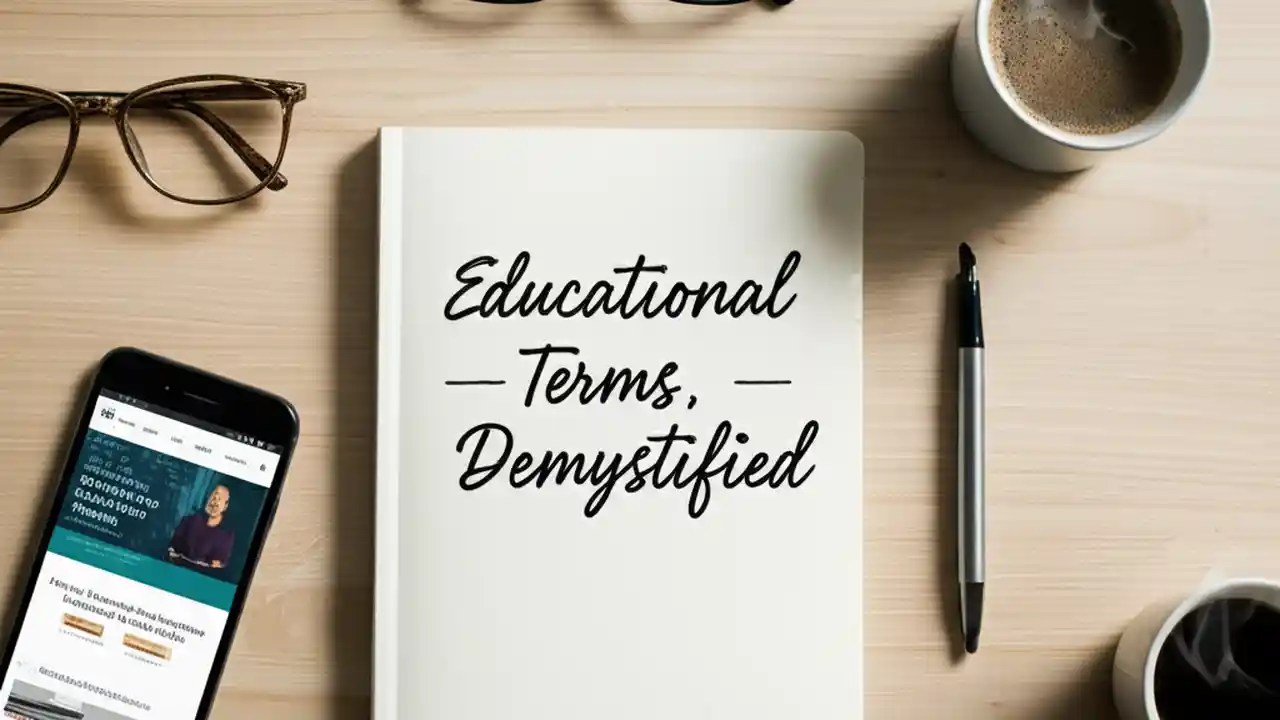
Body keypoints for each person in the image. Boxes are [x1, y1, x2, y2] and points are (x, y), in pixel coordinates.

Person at [167, 485, 235, 571]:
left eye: (219, 499)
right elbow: (173, 545)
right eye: (213, 497)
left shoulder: (226, 536)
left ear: (225, 505)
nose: (214, 502)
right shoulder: (189, 520)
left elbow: (218, 564)